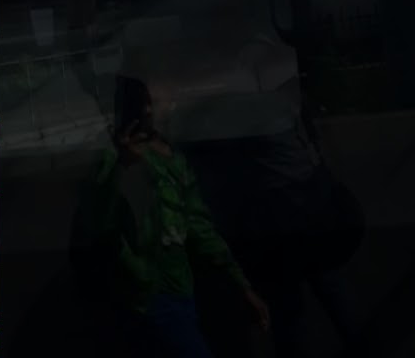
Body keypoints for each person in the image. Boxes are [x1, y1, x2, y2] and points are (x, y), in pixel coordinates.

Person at [70, 76, 269, 357]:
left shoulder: (173, 159)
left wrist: (240, 284)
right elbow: (100, 224)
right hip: (148, 295)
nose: (152, 110)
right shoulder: (115, 159)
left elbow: (199, 227)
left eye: (157, 100)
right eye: (146, 102)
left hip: (179, 290)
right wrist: (123, 169)